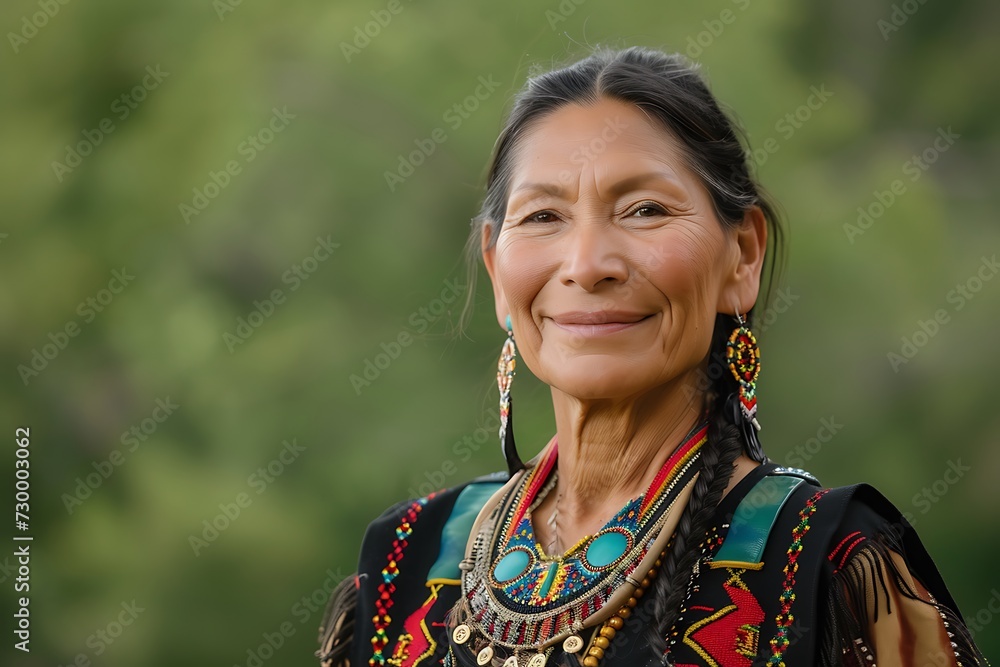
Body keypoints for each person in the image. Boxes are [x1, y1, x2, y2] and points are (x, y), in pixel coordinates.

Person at [316, 47, 988, 667]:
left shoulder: (823, 563)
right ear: (497, 269)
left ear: (742, 255)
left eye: (643, 209)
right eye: (544, 216)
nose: (587, 264)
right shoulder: (408, 561)